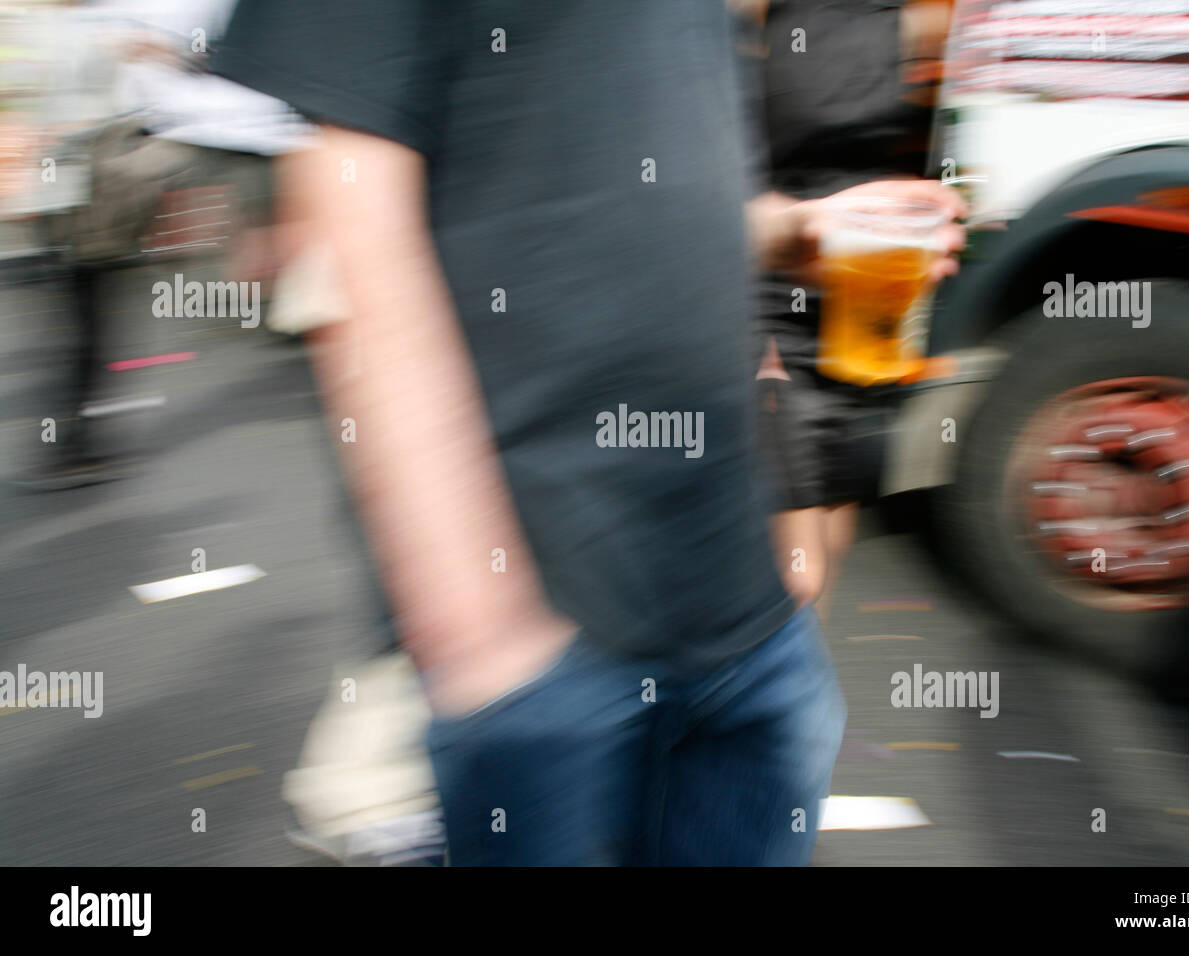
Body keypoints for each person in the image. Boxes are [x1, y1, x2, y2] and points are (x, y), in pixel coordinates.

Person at [214, 0, 961, 865]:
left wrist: (797, 230)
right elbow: (345, 225)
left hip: (742, 617)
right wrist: (483, 640)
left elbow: (664, 181)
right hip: (553, 627)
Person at [745, 0, 964, 619]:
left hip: (863, 304)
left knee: (830, 520)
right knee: (798, 577)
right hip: (766, 292)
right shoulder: (752, 18)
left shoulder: (917, 18)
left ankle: (788, 701)